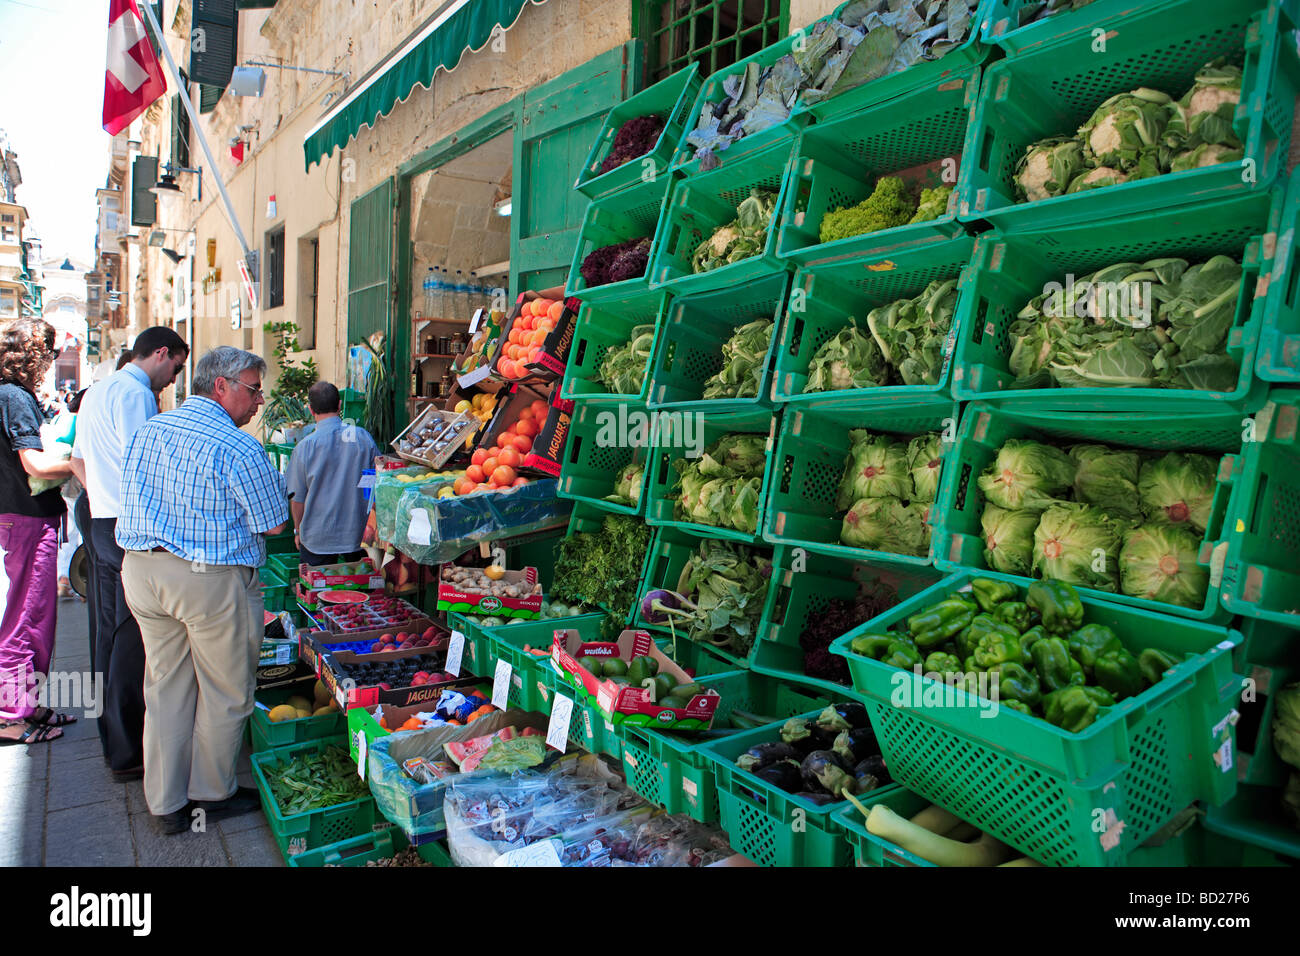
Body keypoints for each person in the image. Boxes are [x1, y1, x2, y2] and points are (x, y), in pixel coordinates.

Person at [117, 346, 288, 834]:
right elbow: (274, 521)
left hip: (142, 573)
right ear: (222, 386)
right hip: (206, 580)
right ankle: (210, 793)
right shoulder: (237, 446)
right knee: (225, 691)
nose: (258, 402)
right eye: (253, 390)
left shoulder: (151, 429)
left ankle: (166, 803)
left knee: (166, 686)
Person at [70, 326, 188, 779]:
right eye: (175, 368)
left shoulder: (100, 390)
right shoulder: (137, 393)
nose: (172, 381)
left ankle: (113, 741)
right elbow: (146, 466)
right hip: (126, 526)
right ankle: (129, 751)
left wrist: (102, 494)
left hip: (100, 518)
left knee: (106, 634)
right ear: (161, 354)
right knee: (130, 639)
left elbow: (77, 460)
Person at [0, 318, 76, 745]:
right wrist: (80, 464)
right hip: (26, 518)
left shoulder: (11, 394)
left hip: (23, 517)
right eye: (49, 352)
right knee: (26, 617)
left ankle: (27, 704)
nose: (51, 362)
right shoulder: (13, 396)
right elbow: (35, 464)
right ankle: (11, 715)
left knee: (37, 616)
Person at [286, 381, 381, 568]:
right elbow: (375, 483)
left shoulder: (304, 447)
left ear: (311, 410)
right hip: (359, 535)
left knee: (317, 594)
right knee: (361, 593)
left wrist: (298, 530)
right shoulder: (362, 438)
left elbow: (297, 499)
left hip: (317, 538)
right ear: (339, 405)